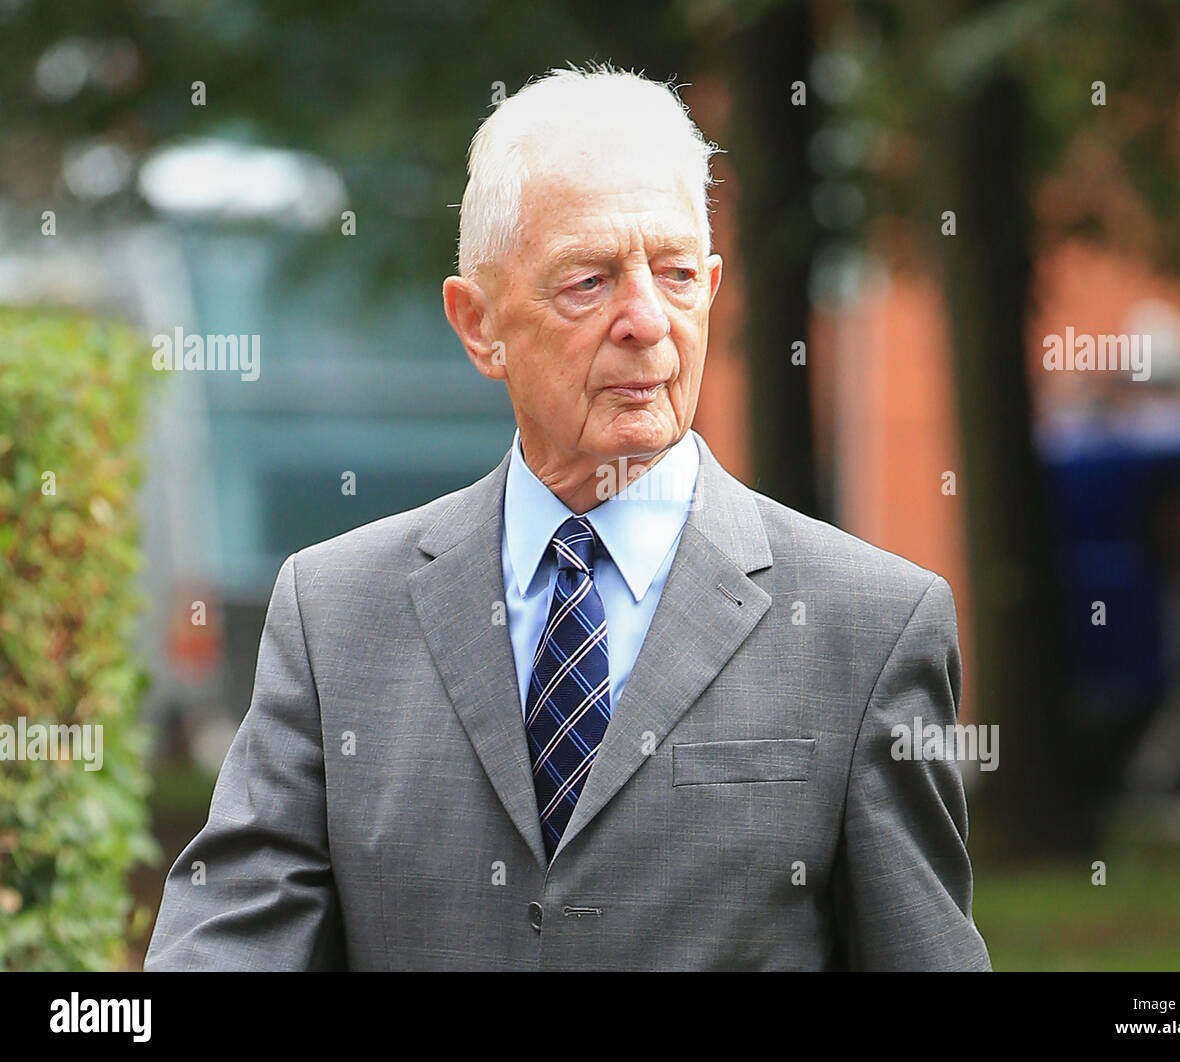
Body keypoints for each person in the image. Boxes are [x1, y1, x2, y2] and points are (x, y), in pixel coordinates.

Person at [145, 64, 991, 971]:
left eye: (673, 275)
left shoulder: (868, 626)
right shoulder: (334, 612)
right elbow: (227, 946)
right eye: (588, 281)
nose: (645, 321)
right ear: (479, 326)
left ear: (711, 286)